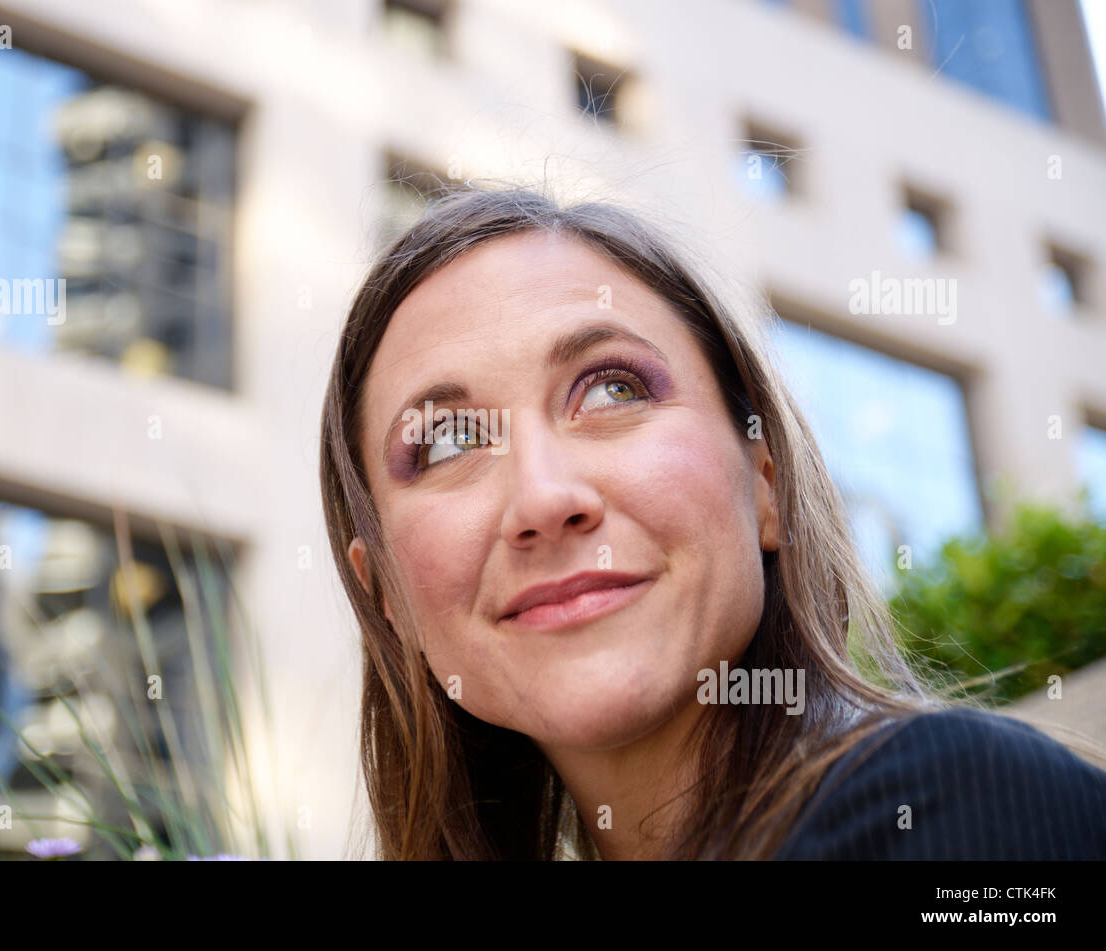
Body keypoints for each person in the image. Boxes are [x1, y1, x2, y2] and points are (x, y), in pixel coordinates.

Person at [318, 183, 1106, 860]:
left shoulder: (961, 814)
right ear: (384, 587)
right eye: (449, 440)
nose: (543, 498)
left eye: (611, 389)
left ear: (764, 484)